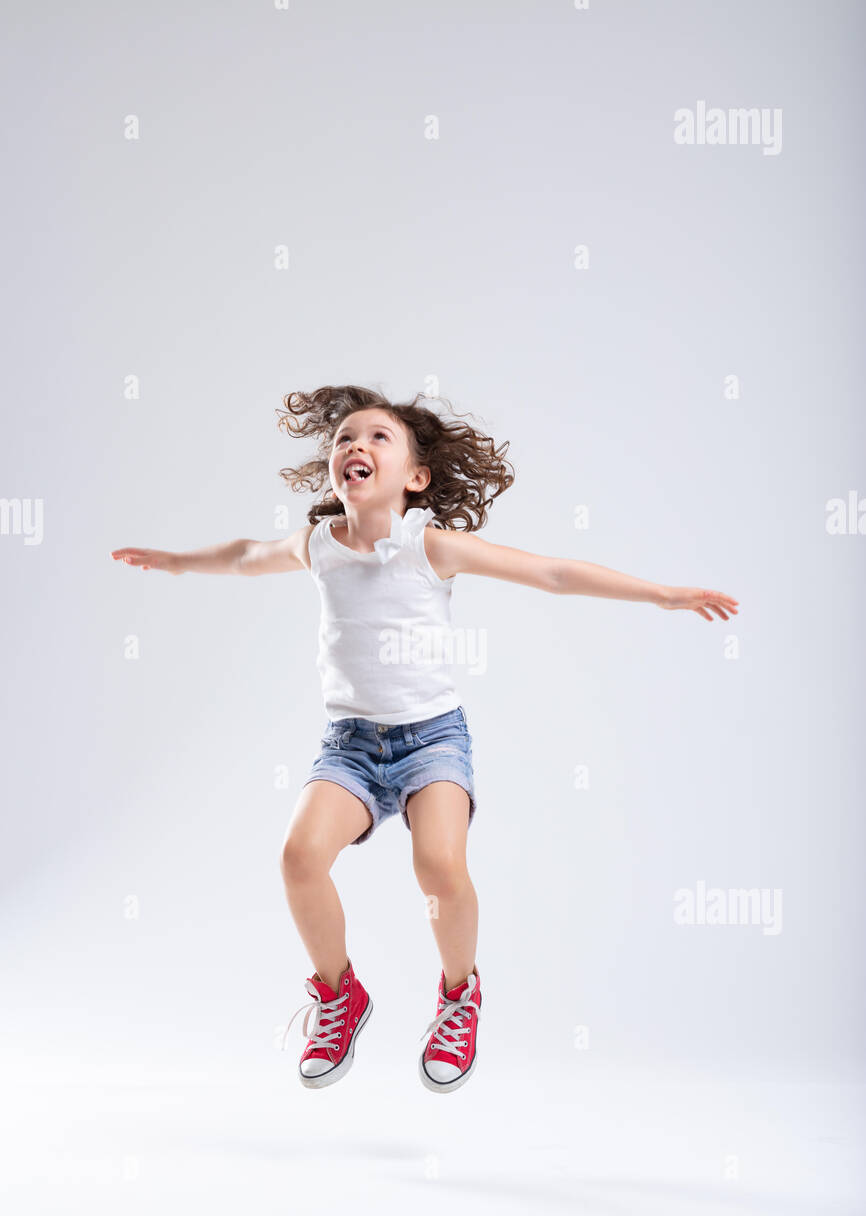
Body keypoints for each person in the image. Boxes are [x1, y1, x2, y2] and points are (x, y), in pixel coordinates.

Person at [111, 384, 739, 1096]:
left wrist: (663, 594)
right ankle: (339, 994)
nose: (356, 446)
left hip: (432, 739)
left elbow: (552, 573)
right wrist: (175, 561)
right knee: (298, 857)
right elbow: (246, 553)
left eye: (378, 438)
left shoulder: (426, 546)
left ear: (415, 477)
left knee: (439, 868)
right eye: (346, 438)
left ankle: (459, 995)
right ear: (334, 468)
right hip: (349, 743)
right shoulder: (318, 546)